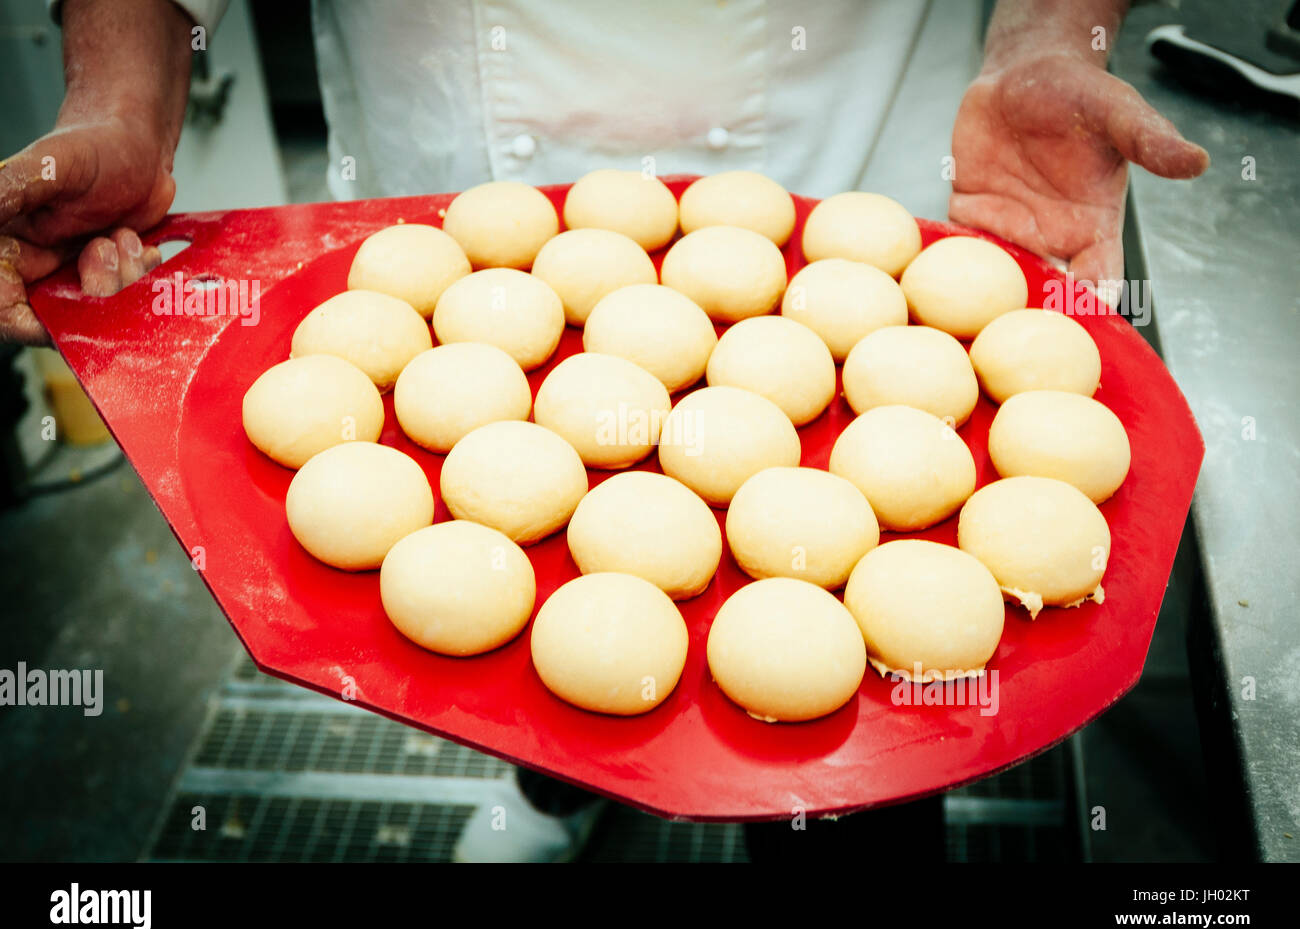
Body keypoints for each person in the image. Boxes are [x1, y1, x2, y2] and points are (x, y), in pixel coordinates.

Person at [0, 0, 1208, 861]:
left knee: (866, 719)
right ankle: (552, 786)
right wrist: (114, 98)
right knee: (528, 602)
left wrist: (1054, 35)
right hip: (472, 234)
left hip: (864, 191)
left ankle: (850, 811)